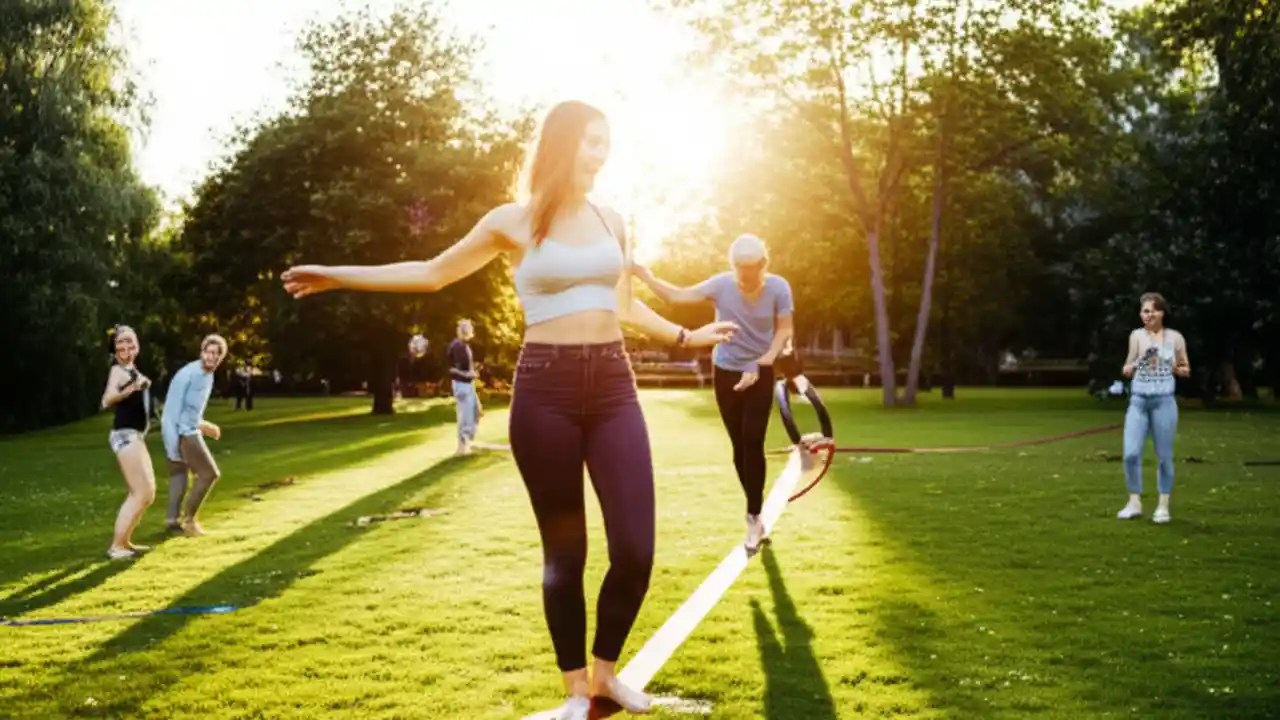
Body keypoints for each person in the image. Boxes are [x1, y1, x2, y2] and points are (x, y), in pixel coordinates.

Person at [282, 100, 736, 720]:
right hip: (544, 393)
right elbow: (432, 273)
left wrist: (686, 338)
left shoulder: (614, 221)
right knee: (566, 554)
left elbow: (625, 305)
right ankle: (578, 688)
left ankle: (607, 675)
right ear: (561, 145)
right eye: (591, 141)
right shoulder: (513, 222)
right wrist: (339, 275)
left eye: (607, 143)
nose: (601, 154)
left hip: (612, 388)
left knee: (635, 548)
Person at [632, 234, 794, 551]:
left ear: (763, 264)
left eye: (751, 268)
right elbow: (677, 297)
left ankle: (752, 516)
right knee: (738, 445)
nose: (745, 275)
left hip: (760, 369)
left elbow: (785, 329)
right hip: (726, 371)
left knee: (752, 440)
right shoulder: (722, 285)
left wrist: (765, 361)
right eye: (739, 267)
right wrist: (645, 275)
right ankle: (755, 512)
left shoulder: (778, 288)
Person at [1117, 292, 1190, 524]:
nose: (1148, 315)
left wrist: (1178, 370)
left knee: (1164, 456)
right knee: (1130, 454)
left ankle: (1163, 505)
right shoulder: (1136, 336)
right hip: (1138, 401)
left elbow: (1185, 367)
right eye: (1145, 311)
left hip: (1164, 402)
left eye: (1153, 310)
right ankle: (1134, 502)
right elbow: (1129, 363)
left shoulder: (1175, 338)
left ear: (1162, 313)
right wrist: (1128, 369)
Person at [161, 334, 229, 537]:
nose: (211, 357)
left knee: (180, 474)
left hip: (187, 429)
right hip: (182, 433)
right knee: (209, 474)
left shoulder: (207, 375)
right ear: (201, 352)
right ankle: (189, 520)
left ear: (220, 357)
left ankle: (171, 521)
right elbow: (172, 411)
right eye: (208, 352)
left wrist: (205, 425)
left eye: (216, 354)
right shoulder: (189, 374)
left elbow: (191, 411)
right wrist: (172, 445)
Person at [100, 325, 158, 559]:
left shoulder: (131, 369)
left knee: (148, 492)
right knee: (140, 492)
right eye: (120, 343)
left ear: (137, 344)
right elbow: (107, 399)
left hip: (135, 435)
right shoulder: (118, 371)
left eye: (130, 341)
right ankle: (116, 546)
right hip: (125, 435)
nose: (126, 346)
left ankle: (125, 542)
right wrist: (131, 388)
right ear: (115, 349)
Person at [448, 318, 482, 455]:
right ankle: (462, 447)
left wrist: (472, 374)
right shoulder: (456, 346)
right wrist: (467, 374)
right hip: (461, 385)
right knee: (466, 416)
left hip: (468, 384)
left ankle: (467, 442)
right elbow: (451, 369)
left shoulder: (464, 346)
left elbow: (467, 368)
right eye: (465, 329)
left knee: (476, 413)